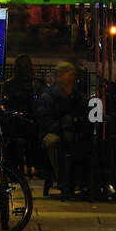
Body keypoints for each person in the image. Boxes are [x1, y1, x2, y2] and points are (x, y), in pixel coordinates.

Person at [35, 61, 89, 199]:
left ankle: (84, 181)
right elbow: (45, 120)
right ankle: (64, 182)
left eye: (71, 75)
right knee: (53, 142)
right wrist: (63, 126)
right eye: (67, 74)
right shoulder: (48, 96)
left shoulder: (78, 97)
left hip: (73, 133)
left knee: (88, 142)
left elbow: (85, 115)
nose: (70, 78)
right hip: (54, 133)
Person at [2, 55, 38, 173]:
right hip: (29, 124)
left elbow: (4, 103)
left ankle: (11, 166)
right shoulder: (34, 86)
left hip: (12, 124)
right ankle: (34, 164)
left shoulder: (8, 85)